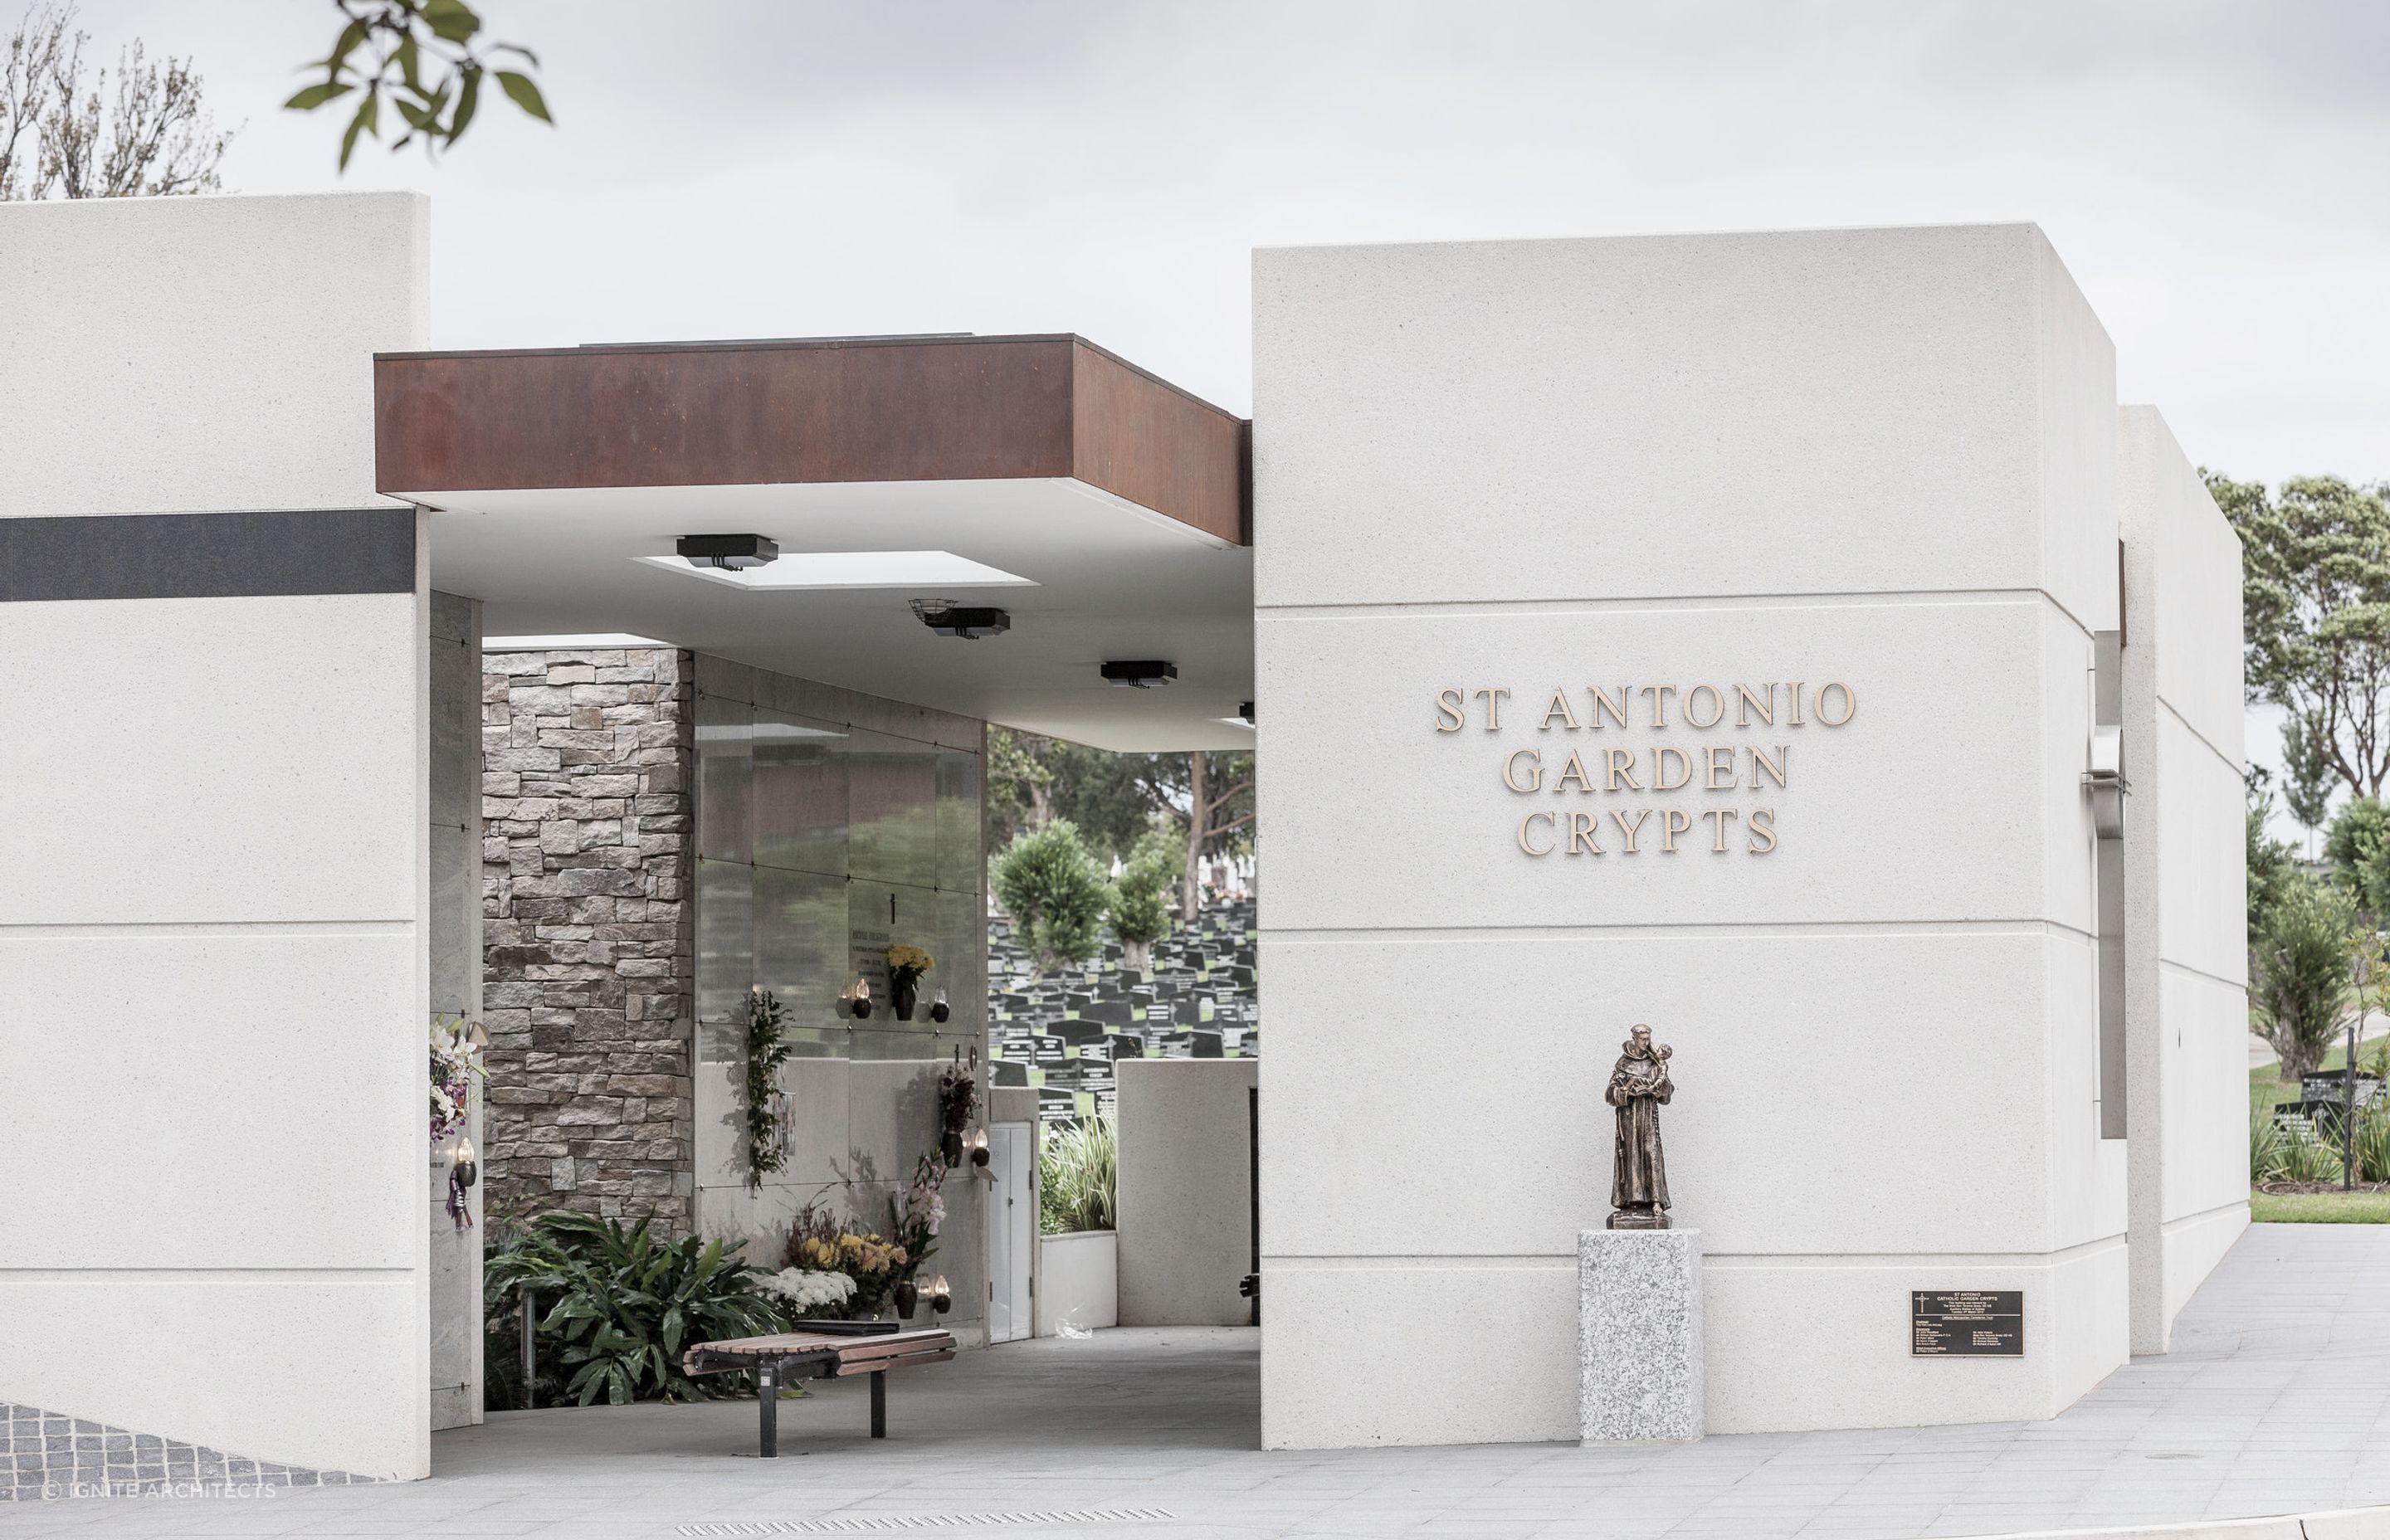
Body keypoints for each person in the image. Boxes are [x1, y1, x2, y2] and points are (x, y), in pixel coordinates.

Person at [1605, 1024, 1674, 1229]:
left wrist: (1657, 1090)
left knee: (1651, 1153)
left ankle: (1656, 1201)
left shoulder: (1655, 1063)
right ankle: (1632, 1203)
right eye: (1643, 1039)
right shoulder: (1623, 1063)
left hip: (1648, 1117)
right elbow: (1610, 1093)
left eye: (1648, 1038)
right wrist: (1627, 1093)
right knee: (1631, 1155)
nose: (1647, 1043)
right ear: (1634, 1039)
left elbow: (1667, 1094)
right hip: (1629, 1117)